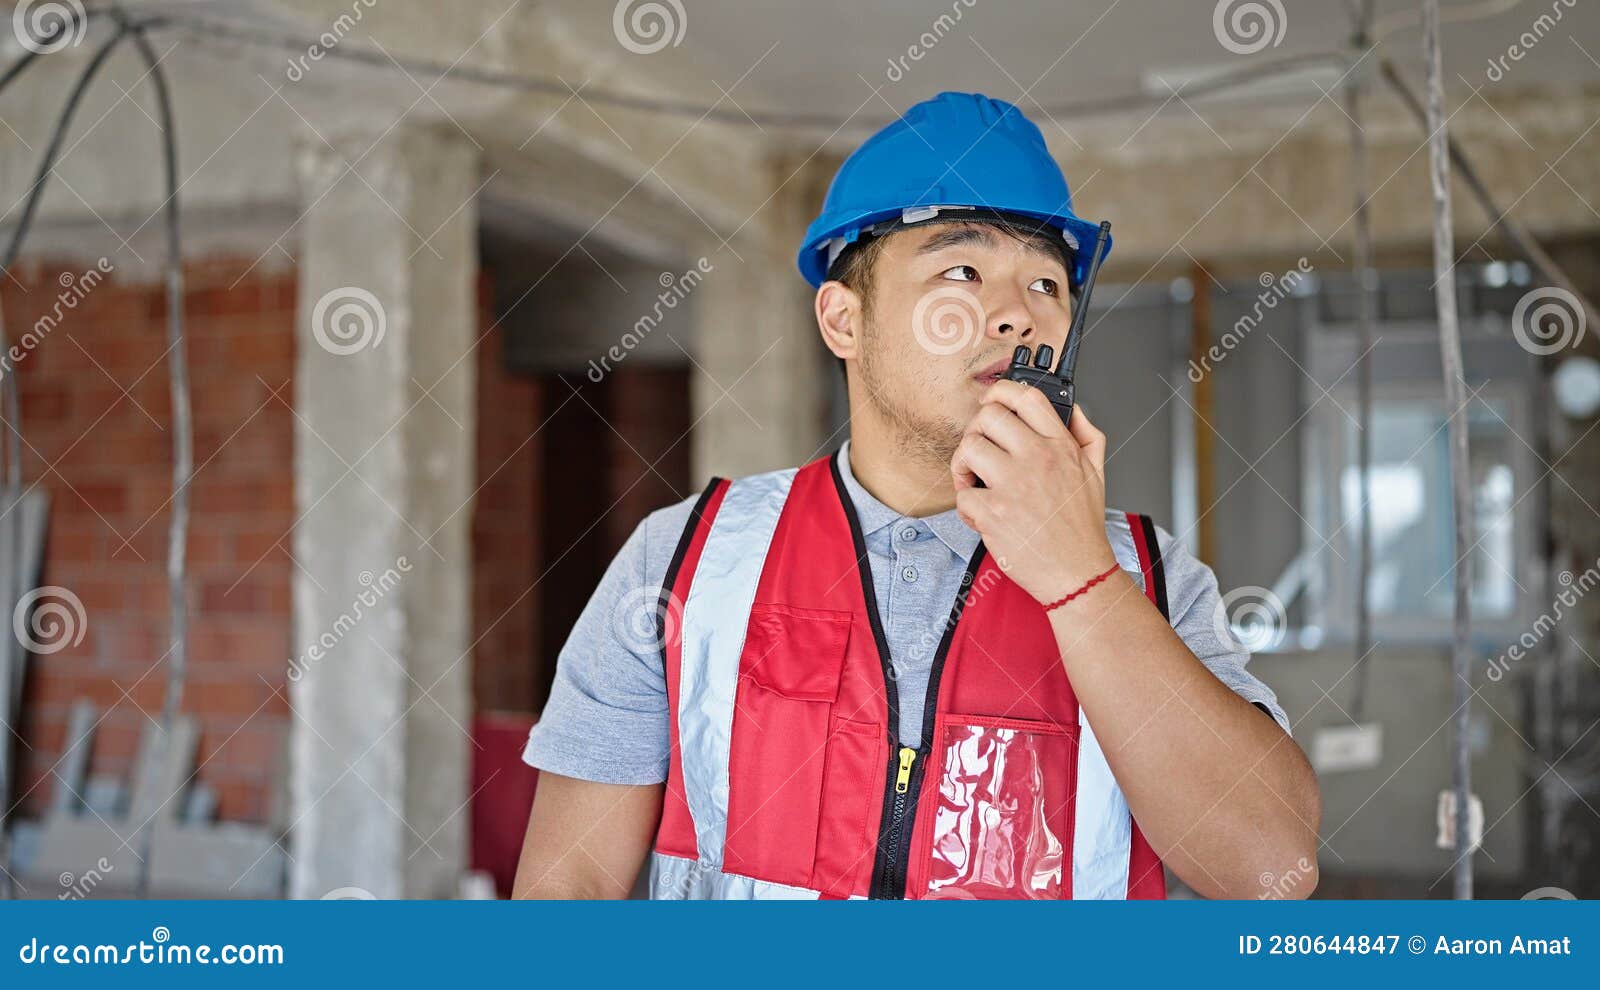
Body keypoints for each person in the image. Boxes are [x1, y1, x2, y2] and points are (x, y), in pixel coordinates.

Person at [514, 91, 1320, 900]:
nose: (1017, 316)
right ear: (843, 321)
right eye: (962, 270)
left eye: (1047, 282)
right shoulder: (686, 560)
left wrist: (1082, 578)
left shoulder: (1149, 579)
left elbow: (1268, 874)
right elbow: (568, 887)